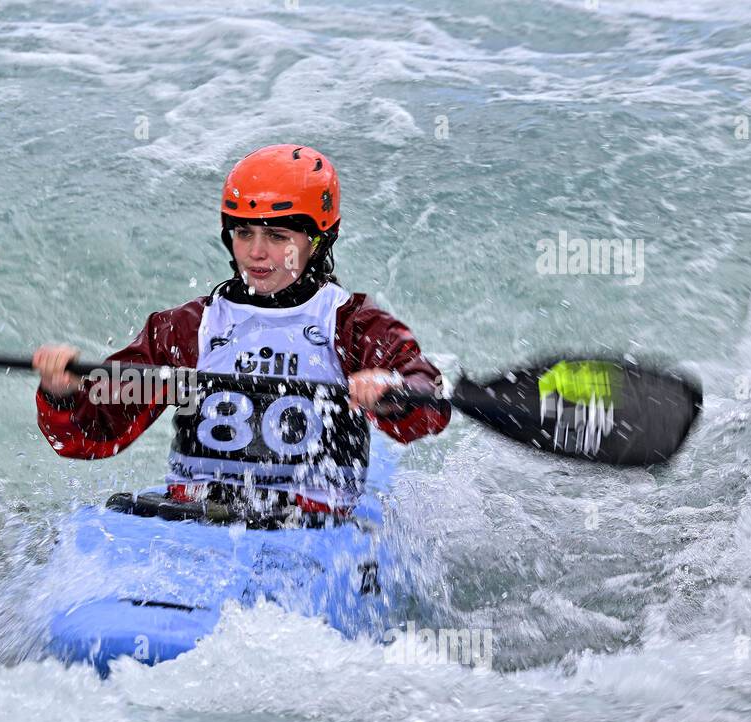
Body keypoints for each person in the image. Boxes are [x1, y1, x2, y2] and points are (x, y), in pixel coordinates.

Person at [31, 144, 450, 513]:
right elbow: (95, 434)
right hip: (195, 517)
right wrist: (63, 393)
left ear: (318, 240)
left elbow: (428, 399)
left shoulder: (352, 324)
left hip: (312, 525)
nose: (256, 252)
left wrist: (391, 389)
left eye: (277, 235)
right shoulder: (187, 329)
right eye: (243, 232)